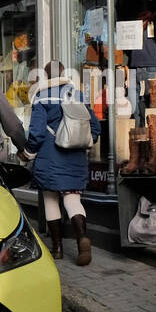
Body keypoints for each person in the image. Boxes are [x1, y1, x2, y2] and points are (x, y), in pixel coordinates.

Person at [26, 60, 101, 265]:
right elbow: (94, 126)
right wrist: (87, 141)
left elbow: (37, 132)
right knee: (73, 199)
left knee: (50, 199)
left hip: (50, 155)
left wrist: (28, 152)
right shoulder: (78, 95)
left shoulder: (41, 96)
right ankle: (82, 239)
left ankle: (57, 249)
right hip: (75, 154)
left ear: (46, 76)